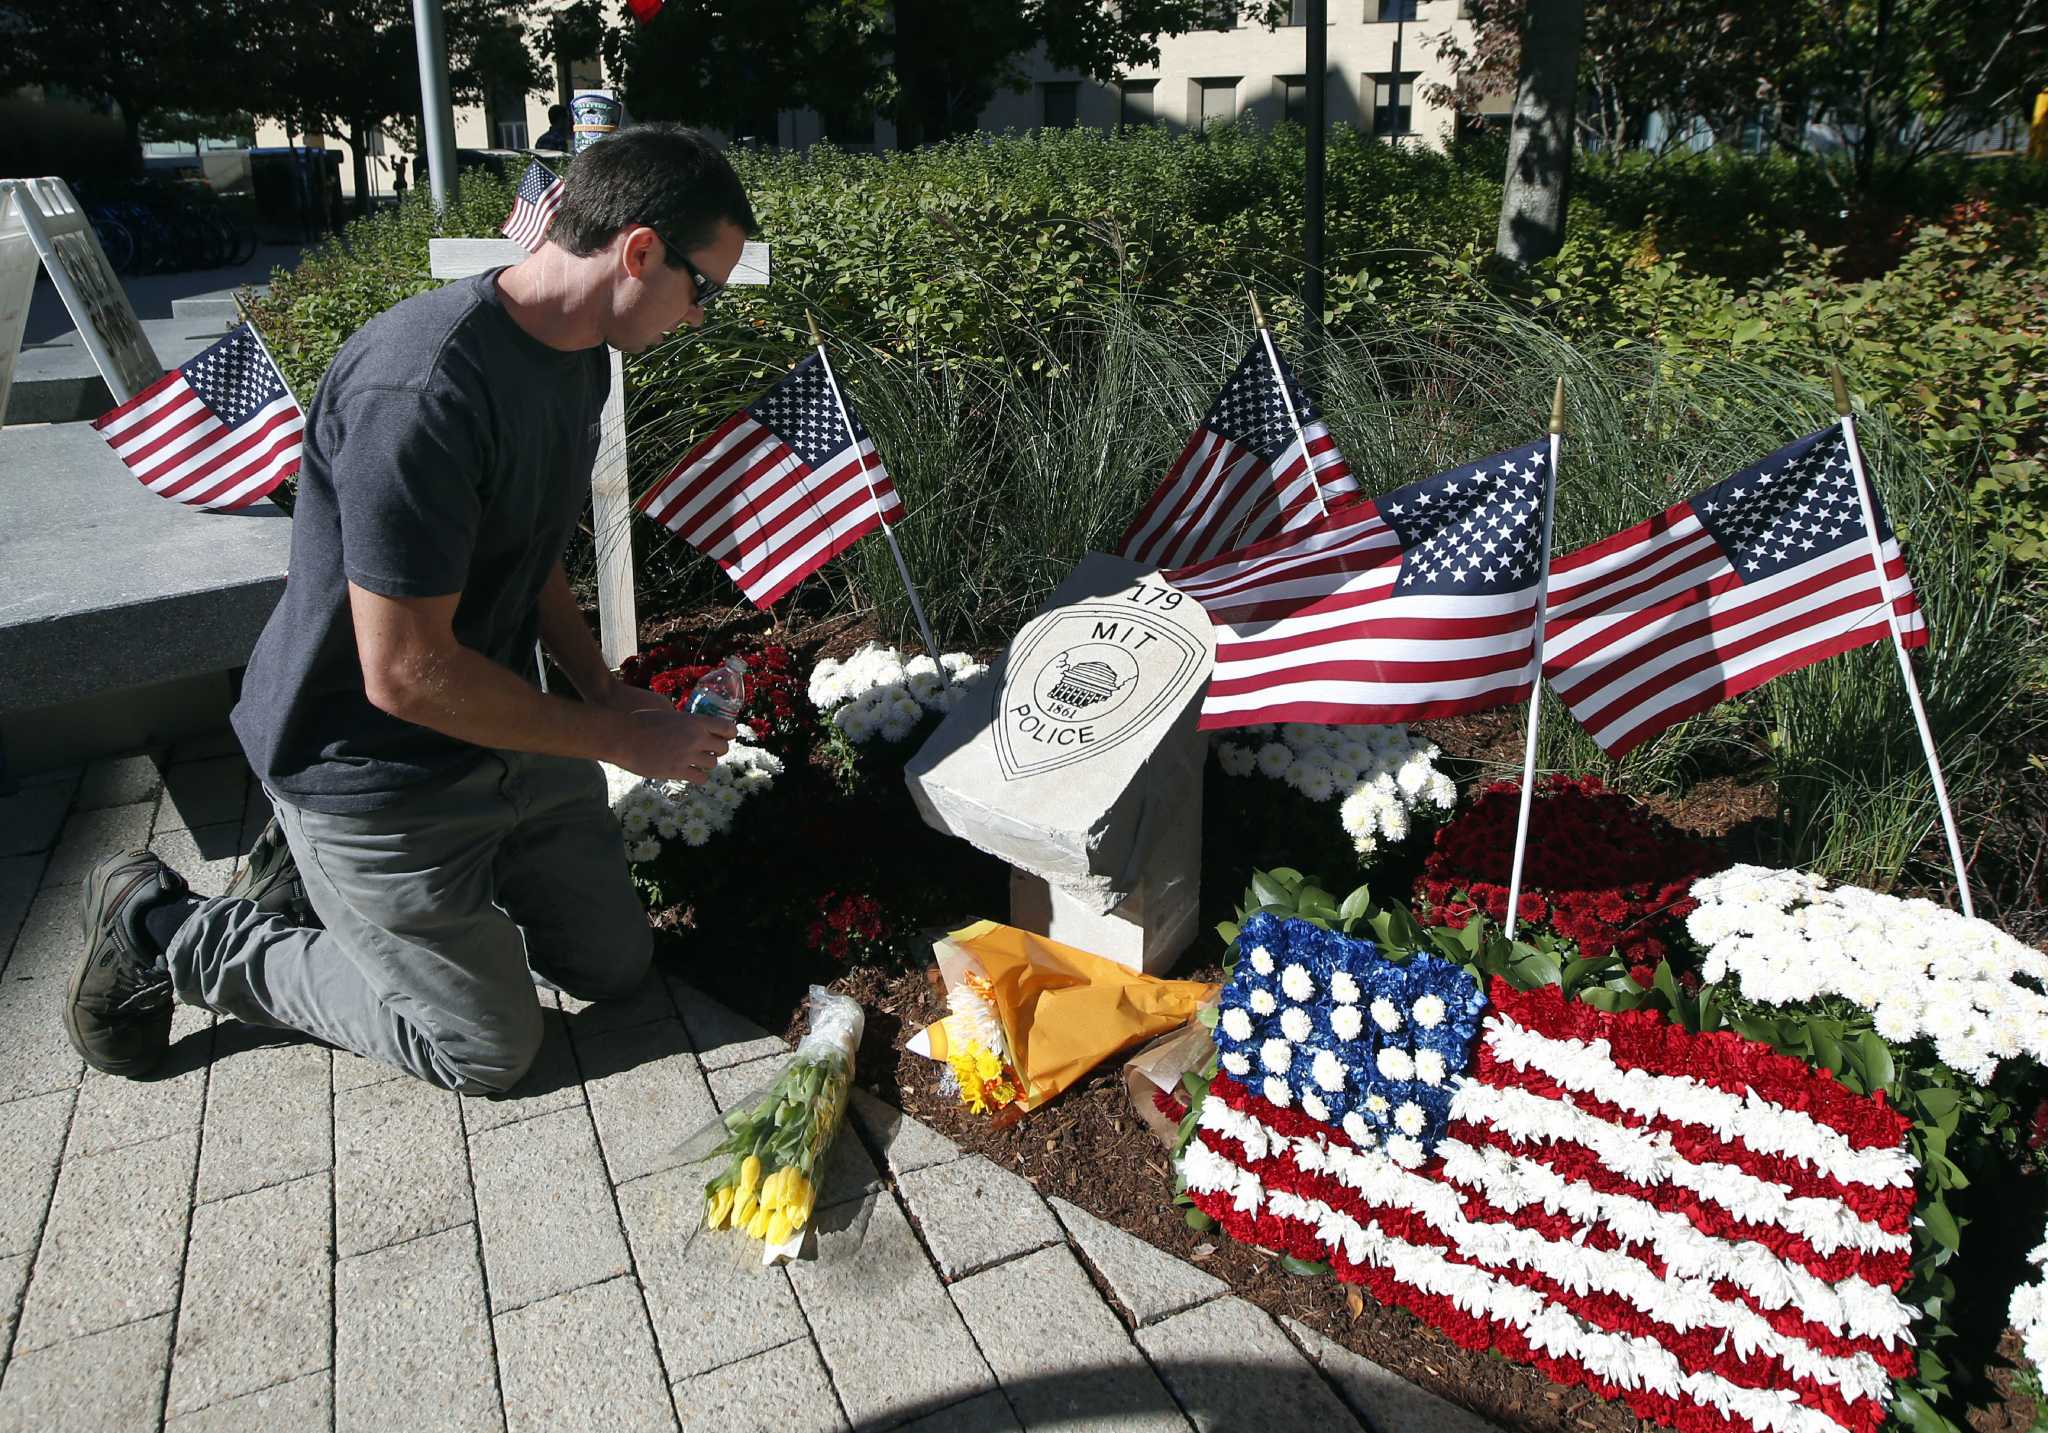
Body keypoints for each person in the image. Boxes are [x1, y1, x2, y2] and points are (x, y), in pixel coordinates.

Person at [65, 125, 756, 1094]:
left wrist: (603, 688)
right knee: (487, 1049)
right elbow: (403, 675)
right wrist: (613, 738)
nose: (700, 316)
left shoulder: (581, 356)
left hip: (492, 729)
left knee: (613, 966)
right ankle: (166, 927)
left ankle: (327, 889)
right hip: (365, 764)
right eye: (704, 287)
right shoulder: (421, 388)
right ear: (639, 252)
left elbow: (528, 547)